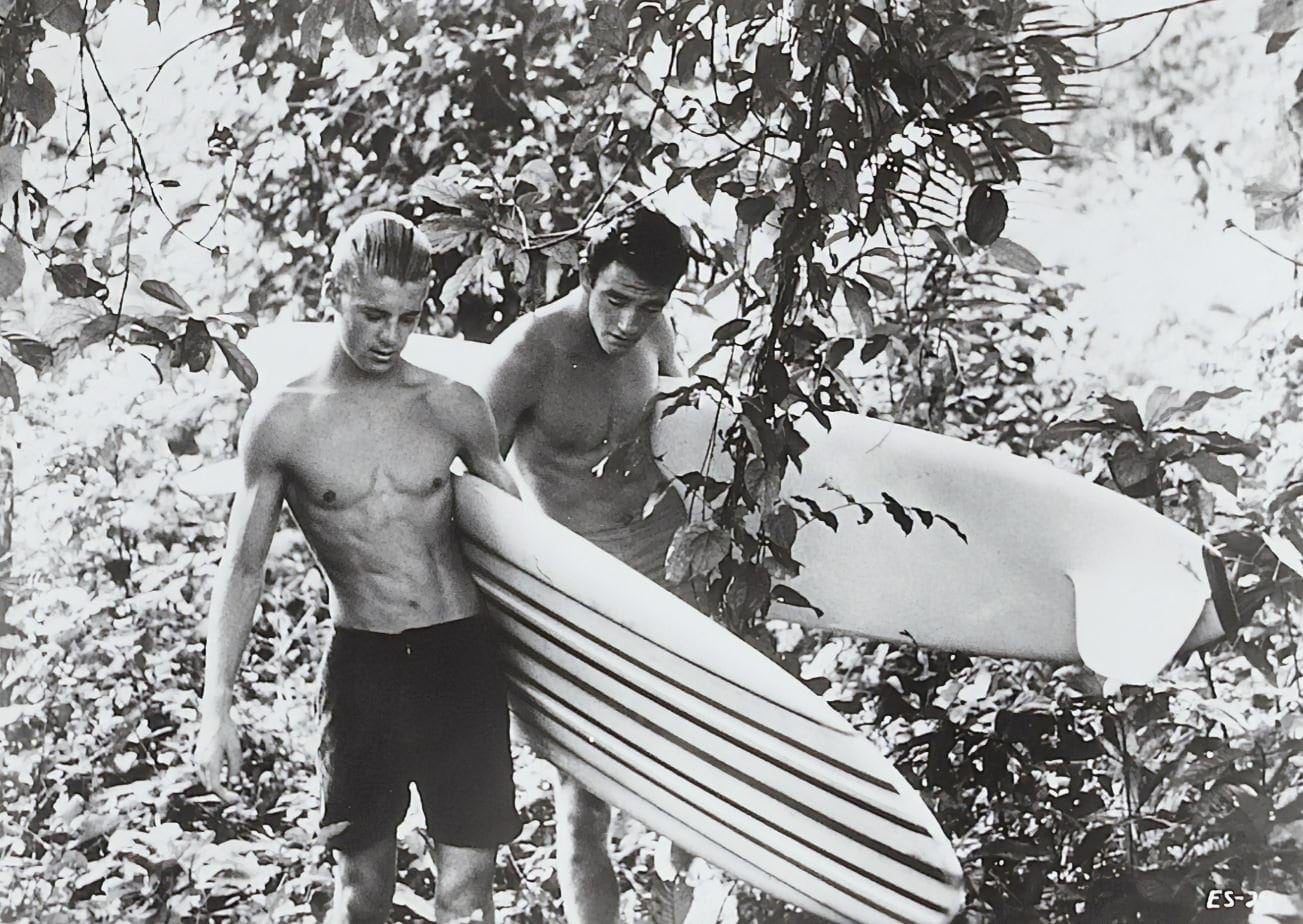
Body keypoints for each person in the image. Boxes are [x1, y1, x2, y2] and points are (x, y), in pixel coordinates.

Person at [194, 211, 522, 924]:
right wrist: (216, 700)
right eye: (374, 314)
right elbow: (243, 565)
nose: (391, 336)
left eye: (408, 317)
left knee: (467, 897)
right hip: (364, 666)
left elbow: (525, 550)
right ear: (330, 292)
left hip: (459, 656)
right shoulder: (282, 419)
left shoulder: (452, 406)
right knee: (361, 894)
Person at [483, 207, 693, 924]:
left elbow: (689, 437)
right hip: (571, 596)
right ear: (584, 277)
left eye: (650, 305)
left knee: (692, 777)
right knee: (583, 802)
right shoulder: (529, 352)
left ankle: (678, 887)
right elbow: (468, 474)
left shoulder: (655, 333)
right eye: (616, 300)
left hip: (661, 582)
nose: (631, 323)